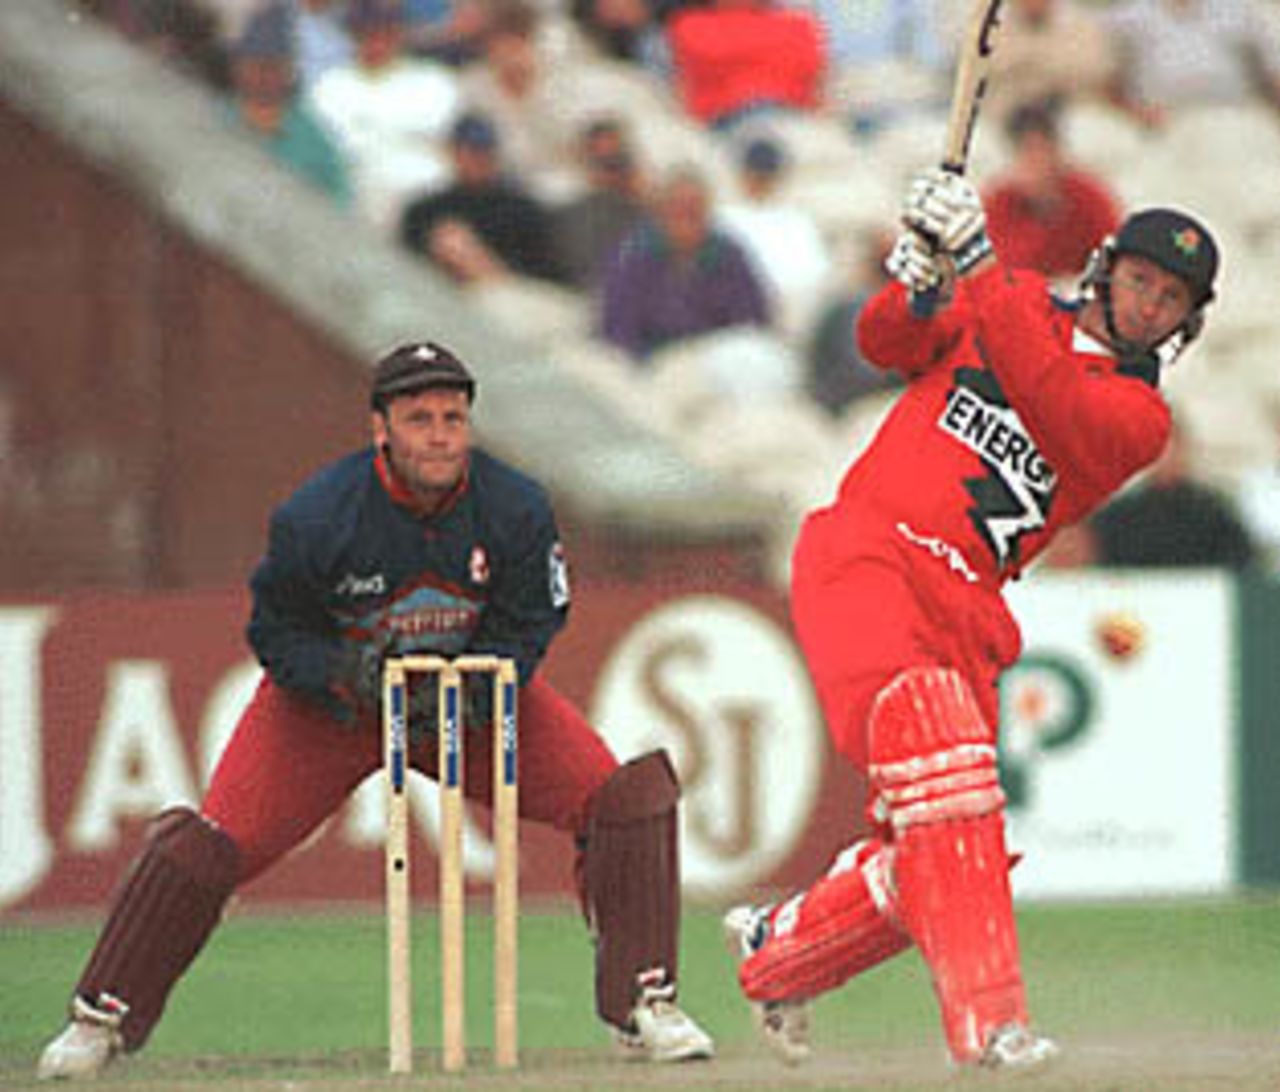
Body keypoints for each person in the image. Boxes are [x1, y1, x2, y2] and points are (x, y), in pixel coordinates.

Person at [36, 343, 715, 1080]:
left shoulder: (513, 506)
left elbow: (532, 620)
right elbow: (274, 631)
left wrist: (480, 687)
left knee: (627, 798)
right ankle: (100, 1016)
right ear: (380, 429)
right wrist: (339, 673)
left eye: (453, 418)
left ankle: (643, 1004)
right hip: (332, 711)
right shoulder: (318, 515)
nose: (439, 434)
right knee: (209, 845)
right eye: (419, 418)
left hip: (466, 703)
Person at [722, 170, 1220, 1070]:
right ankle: (992, 1027)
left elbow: (1045, 392)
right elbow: (884, 345)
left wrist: (978, 262)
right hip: (870, 552)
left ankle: (781, 945)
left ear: (1184, 324)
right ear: (1106, 269)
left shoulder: (1139, 418)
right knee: (941, 758)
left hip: (968, 606)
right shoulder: (1015, 299)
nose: (1149, 303)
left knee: (946, 858)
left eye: (1171, 298)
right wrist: (913, 289)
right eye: (1142, 279)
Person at [599, 166, 771, 360]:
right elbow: (618, 329)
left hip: (712, 361)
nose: (686, 221)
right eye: (678, 210)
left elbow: (752, 321)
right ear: (661, 212)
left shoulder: (729, 256)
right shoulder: (631, 255)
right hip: (648, 362)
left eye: (695, 212)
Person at [398, 111, 568, 285]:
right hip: (442, 298)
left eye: (484, 150)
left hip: (511, 298)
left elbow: (548, 274)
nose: (478, 159)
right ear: (452, 152)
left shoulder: (523, 209)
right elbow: (406, 270)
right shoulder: (424, 211)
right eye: (470, 151)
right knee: (449, 237)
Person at [226, 1, 354, 208]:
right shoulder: (216, 118)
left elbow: (340, 202)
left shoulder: (314, 139)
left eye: (273, 66)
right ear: (238, 66)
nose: (264, 75)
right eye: (255, 64)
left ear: (289, 71)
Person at [1088, 416, 1257, 568]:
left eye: (1172, 447)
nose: (1165, 457)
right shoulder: (1119, 517)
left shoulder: (1214, 512)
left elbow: (1239, 565)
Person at [983, 98, 1122, 282]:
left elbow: (1114, 256)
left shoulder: (1089, 197)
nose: (1038, 163)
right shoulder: (998, 206)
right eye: (1028, 153)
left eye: (1043, 151)